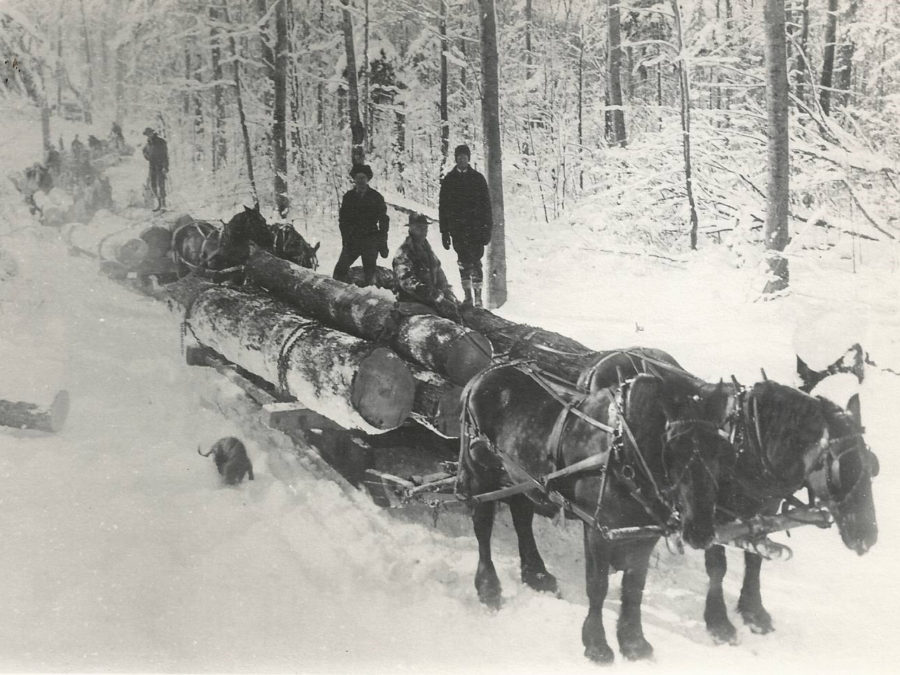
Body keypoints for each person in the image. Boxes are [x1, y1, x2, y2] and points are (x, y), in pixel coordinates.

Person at [438, 143, 492, 308]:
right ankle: (467, 297)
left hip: (476, 230)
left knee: (476, 263)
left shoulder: (478, 179)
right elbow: (443, 207)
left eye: (465, 157)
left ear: (469, 159)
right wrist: (444, 232)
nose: (462, 160)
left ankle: (478, 298)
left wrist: (486, 230)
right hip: (458, 231)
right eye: (459, 157)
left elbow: (486, 207)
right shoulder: (449, 180)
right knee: (463, 263)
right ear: (456, 159)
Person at [393, 212, 459, 318]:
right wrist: (435, 297)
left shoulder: (428, 250)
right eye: (419, 228)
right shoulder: (404, 253)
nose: (424, 231)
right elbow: (408, 283)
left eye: (425, 228)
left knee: (456, 311)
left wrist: (448, 293)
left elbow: (440, 274)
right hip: (411, 303)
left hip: (430, 301)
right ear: (411, 229)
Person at [333, 163, 389, 286]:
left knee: (370, 276)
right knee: (339, 271)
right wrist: (346, 239)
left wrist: (382, 243)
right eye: (358, 178)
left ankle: (371, 301)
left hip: (370, 241)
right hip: (353, 240)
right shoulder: (348, 197)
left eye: (363, 178)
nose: (360, 181)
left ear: (368, 179)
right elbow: (343, 221)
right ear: (354, 179)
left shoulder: (376, 197)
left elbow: (384, 221)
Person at [142, 127, 169, 211]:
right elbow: (145, 152)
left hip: (160, 166)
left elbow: (165, 156)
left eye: (149, 133)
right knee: (153, 185)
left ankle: (163, 204)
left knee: (161, 185)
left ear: (153, 133)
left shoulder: (161, 142)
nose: (148, 135)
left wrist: (165, 167)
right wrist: (147, 156)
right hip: (152, 166)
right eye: (147, 134)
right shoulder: (148, 144)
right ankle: (159, 203)